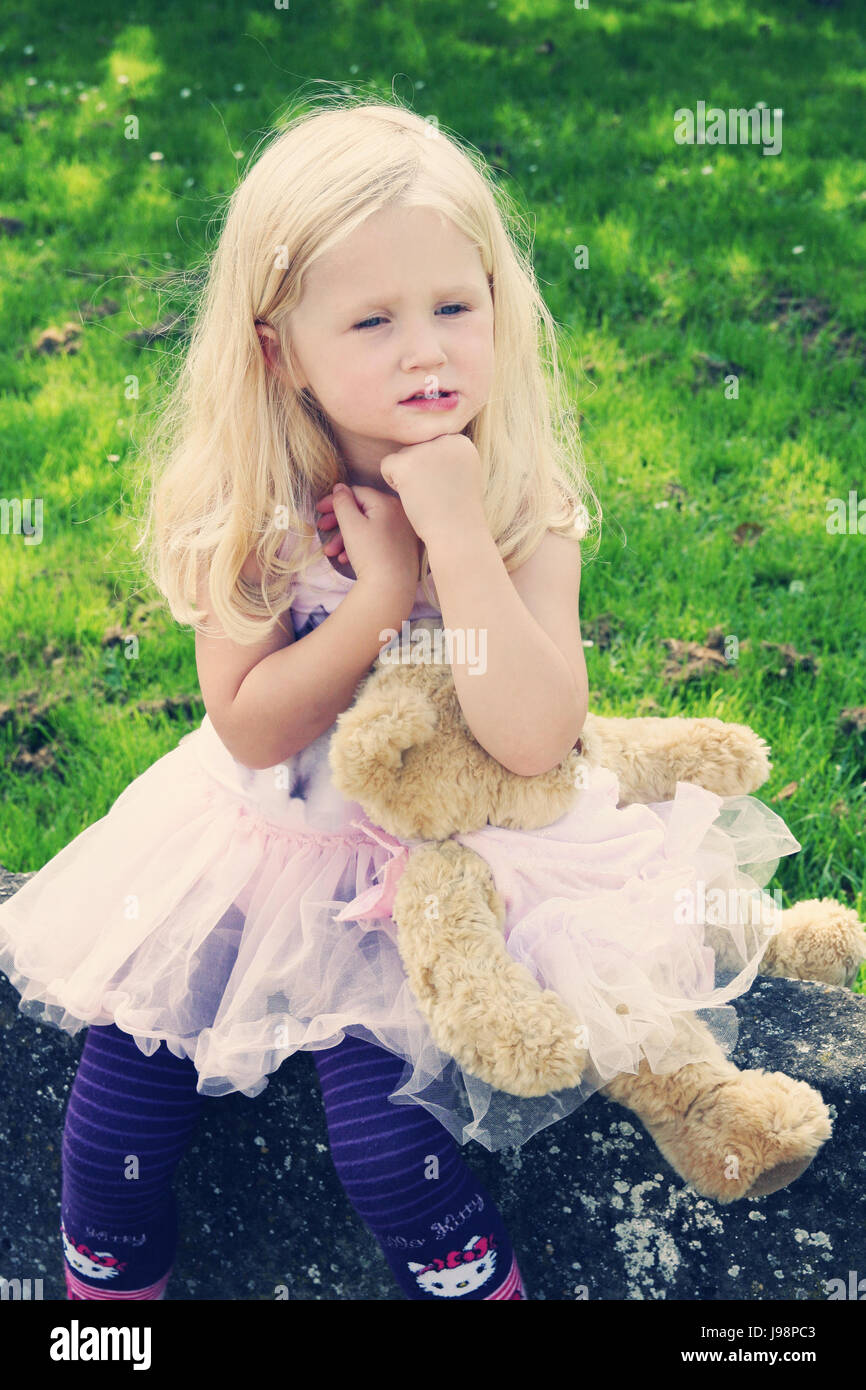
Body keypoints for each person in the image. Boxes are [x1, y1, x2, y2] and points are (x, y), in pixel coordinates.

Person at [0, 98, 800, 1302]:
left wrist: (454, 535)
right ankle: (104, 1315)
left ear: (499, 307)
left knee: (393, 1154)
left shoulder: (525, 505)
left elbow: (531, 736)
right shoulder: (251, 507)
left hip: (443, 883)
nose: (425, 351)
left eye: (452, 308)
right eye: (371, 320)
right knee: (117, 1122)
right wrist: (376, 595)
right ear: (281, 349)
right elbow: (255, 723)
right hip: (254, 854)